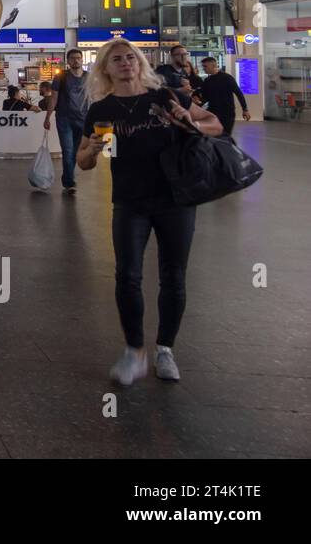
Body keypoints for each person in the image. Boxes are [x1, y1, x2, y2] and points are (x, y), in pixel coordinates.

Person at [76, 38, 222, 386]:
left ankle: (165, 349)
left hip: (176, 200)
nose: (125, 63)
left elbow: (215, 124)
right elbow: (83, 162)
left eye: (131, 58)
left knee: (173, 276)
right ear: (106, 69)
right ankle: (134, 350)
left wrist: (190, 122)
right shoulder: (102, 111)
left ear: (140, 63)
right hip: (129, 201)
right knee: (127, 276)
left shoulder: (166, 97)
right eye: (117, 60)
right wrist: (94, 151)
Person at [43, 48, 90, 195]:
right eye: (73, 58)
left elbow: (93, 98)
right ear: (68, 61)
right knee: (68, 150)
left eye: (78, 58)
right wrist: (48, 116)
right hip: (64, 119)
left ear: (82, 60)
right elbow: (54, 98)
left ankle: (67, 176)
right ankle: (69, 182)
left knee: (75, 151)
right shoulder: (61, 77)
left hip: (83, 119)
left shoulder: (89, 77)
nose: (76, 60)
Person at [198, 57, 250, 135]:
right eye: (203, 67)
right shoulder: (207, 81)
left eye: (205, 66)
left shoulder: (227, 78)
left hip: (227, 112)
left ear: (213, 65)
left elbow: (238, 93)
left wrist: (245, 109)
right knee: (214, 135)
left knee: (225, 134)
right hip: (213, 112)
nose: (204, 69)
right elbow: (205, 97)